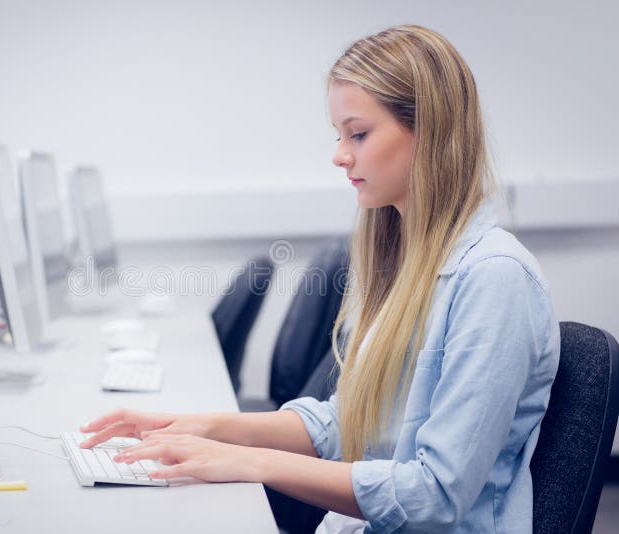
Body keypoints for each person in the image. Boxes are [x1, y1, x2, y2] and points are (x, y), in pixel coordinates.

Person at [79, 25, 560, 533]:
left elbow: (435, 496)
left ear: (430, 131)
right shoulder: (405, 262)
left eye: (358, 133)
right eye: (339, 135)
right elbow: (345, 422)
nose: (339, 155)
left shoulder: (494, 280)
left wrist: (247, 462)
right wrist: (204, 426)